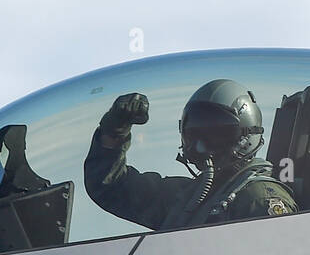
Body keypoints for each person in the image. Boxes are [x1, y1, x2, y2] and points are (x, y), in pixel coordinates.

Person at [83, 80, 298, 231]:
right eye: (194, 133)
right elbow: (111, 188)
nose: (200, 145)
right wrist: (114, 131)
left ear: (245, 135)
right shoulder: (190, 198)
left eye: (215, 133)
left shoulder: (258, 199)